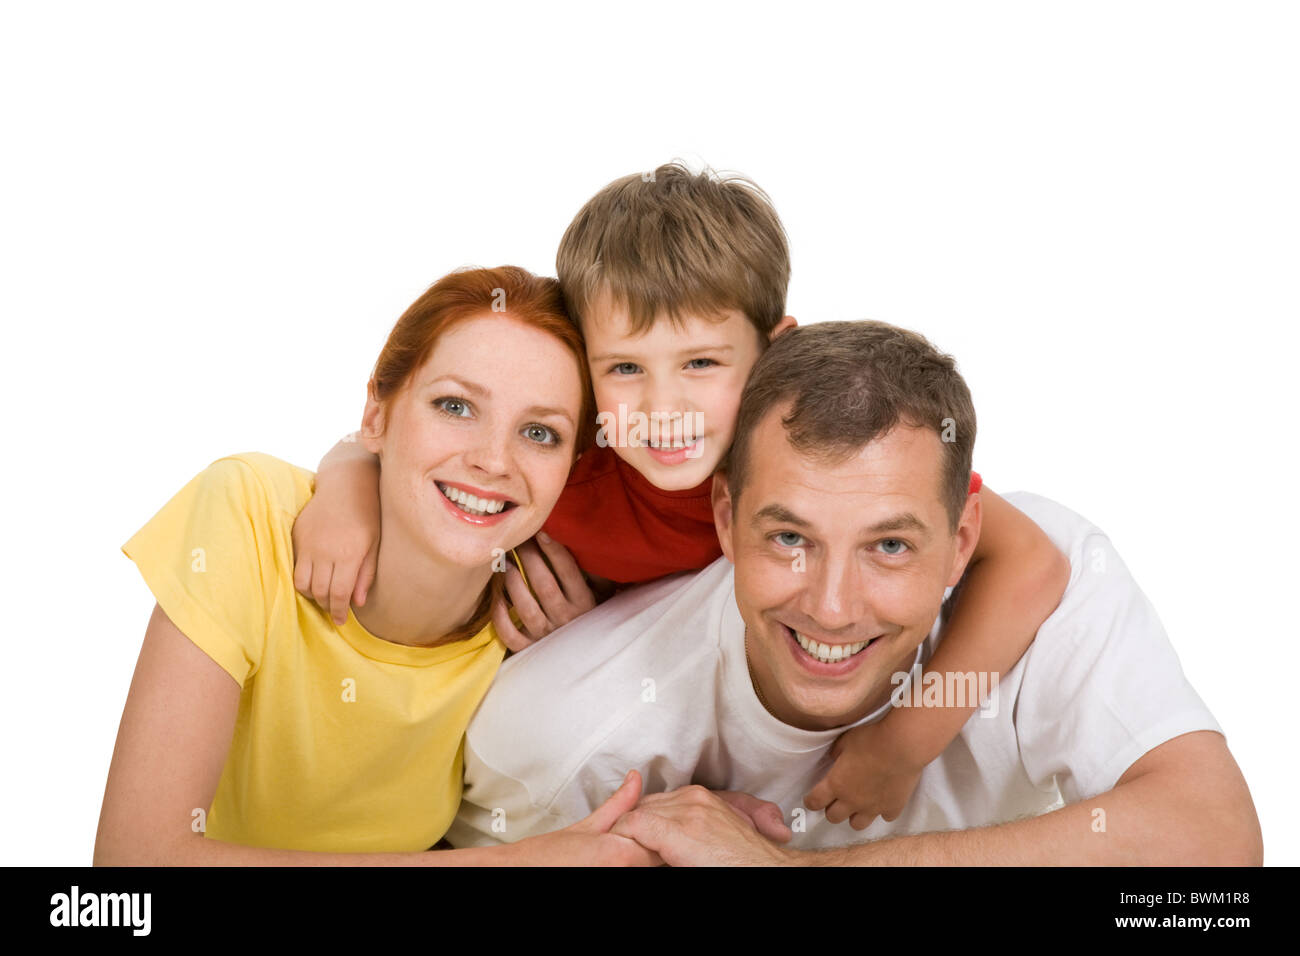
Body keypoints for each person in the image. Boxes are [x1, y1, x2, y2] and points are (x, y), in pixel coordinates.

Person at [293, 162, 1071, 828]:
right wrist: (347, 482)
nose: (663, 410)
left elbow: (1029, 558)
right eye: (626, 369)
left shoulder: (810, 454)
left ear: (776, 348)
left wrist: (903, 746)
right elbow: (414, 440)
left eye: (701, 363)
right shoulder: (569, 454)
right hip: (516, 752)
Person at [444, 320, 1264, 866]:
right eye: (790, 538)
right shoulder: (565, 731)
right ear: (724, 521)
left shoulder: (1054, 589)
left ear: (964, 539)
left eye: (891, 546)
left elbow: (1216, 868)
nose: (833, 608)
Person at [96, 265, 698, 865]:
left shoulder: (540, 613)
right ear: (376, 416)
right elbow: (133, 862)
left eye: (540, 432)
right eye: (455, 406)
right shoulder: (250, 514)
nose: (492, 460)